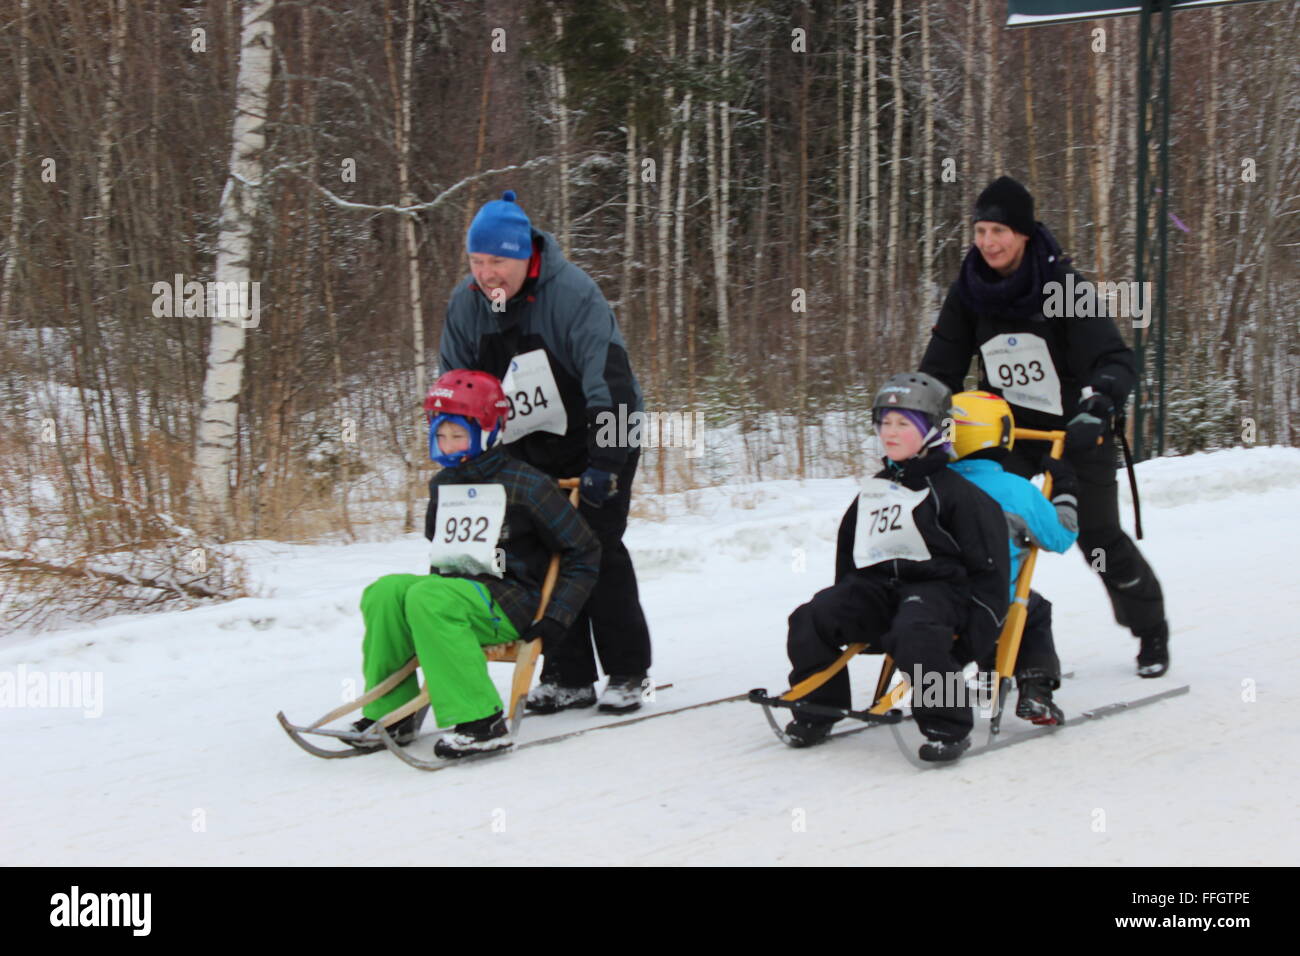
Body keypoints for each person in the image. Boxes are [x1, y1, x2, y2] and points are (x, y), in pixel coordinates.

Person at [920, 175, 1171, 678]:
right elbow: (941, 366)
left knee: (1096, 540)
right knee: (976, 521)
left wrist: (1098, 402)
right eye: (981, 230)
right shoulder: (970, 291)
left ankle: (1150, 628)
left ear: (1025, 234)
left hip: (1074, 429)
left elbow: (1115, 358)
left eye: (1000, 231)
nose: (989, 242)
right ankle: (990, 635)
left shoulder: (1060, 287)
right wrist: (916, 413)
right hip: (1006, 430)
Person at [439, 190, 652, 714]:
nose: (487, 273)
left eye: (498, 261)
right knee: (531, 556)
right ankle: (567, 674)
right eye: (477, 260)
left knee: (594, 548)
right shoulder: (468, 305)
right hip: (523, 445)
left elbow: (614, 382)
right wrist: (461, 448)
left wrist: (606, 463)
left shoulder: (572, 294)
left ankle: (628, 671)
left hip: (598, 433)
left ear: (524, 256)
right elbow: (455, 383)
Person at [351, 370, 600, 759]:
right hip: (455, 594)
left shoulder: (526, 484)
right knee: (384, 592)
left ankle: (482, 721)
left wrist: (557, 619)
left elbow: (583, 551)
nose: (448, 444)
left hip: (510, 600)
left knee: (430, 597)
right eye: (441, 435)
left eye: (459, 435)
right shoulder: (442, 484)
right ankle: (392, 714)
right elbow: (442, 548)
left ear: (487, 431)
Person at [783, 373, 1009, 762]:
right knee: (810, 617)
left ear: (935, 431)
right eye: (885, 422)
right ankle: (817, 708)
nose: (890, 431)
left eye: (904, 423)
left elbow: (990, 574)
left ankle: (947, 724)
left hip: (940, 593)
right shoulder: (875, 489)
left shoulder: (959, 496)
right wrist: (845, 603)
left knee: (915, 631)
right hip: (878, 589)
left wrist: (973, 640)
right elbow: (850, 555)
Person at [948, 390, 1079, 725]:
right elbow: (1061, 537)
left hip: (932, 600)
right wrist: (1065, 487)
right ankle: (1036, 691)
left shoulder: (933, 482)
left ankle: (985, 672)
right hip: (989, 605)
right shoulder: (1018, 491)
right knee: (1032, 610)